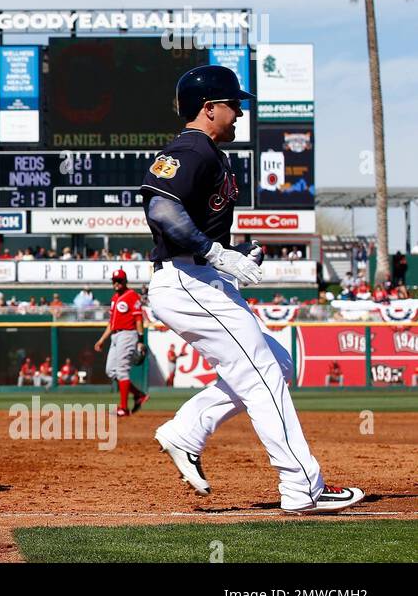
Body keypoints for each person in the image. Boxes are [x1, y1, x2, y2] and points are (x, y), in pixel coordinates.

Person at [142, 65, 362, 513]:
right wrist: (215, 253)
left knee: (274, 364)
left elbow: (197, 225)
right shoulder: (190, 149)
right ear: (209, 108)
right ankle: (303, 487)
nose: (239, 112)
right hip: (187, 279)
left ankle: (187, 431)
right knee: (262, 376)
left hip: (201, 276)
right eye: (233, 104)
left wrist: (233, 250)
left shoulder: (209, 152)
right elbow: (161, 208)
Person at [92, 268, 148, 416]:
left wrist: (140, 340)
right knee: (111, 371)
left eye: (119, 280)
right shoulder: (115, 298)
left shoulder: (132, 296)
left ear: (125, 281)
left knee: (122, 370)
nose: (116, 283)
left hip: (128, 334)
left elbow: (138, 319)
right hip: (115, 336)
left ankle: (123, 408)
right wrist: (102, 339)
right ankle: (139, 395)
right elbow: (111, 323)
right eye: (114, 281)